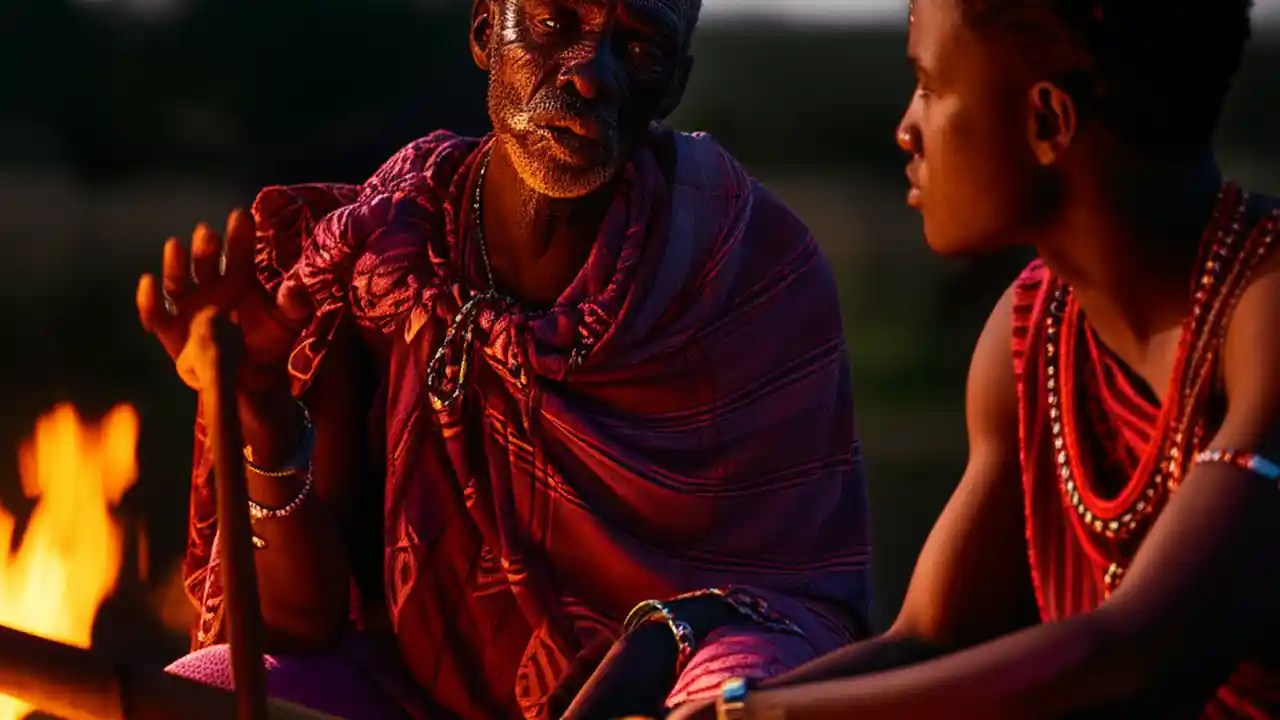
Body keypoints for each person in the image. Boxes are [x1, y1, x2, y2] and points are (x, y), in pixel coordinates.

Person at [135, 0, 872, 718]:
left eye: (640, 47)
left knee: (742, 680)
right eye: (554, 22)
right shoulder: (383, 256)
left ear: (673, 85)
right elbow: (294, 626)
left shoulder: (745, 266)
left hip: (657, 695)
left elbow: (793, 610)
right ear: (487, 29)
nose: (591, 74)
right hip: (405, 700)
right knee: (209, 688)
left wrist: (670, 643)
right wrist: (261, 411)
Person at [670, 0, 1280, 718]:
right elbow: (936, 639)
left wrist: (761, 715)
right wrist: (729, 704)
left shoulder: (1261, 307)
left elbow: (1138, 655)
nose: (906, 129)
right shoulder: (1032, 337)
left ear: (1047, 121)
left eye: (930, 86)